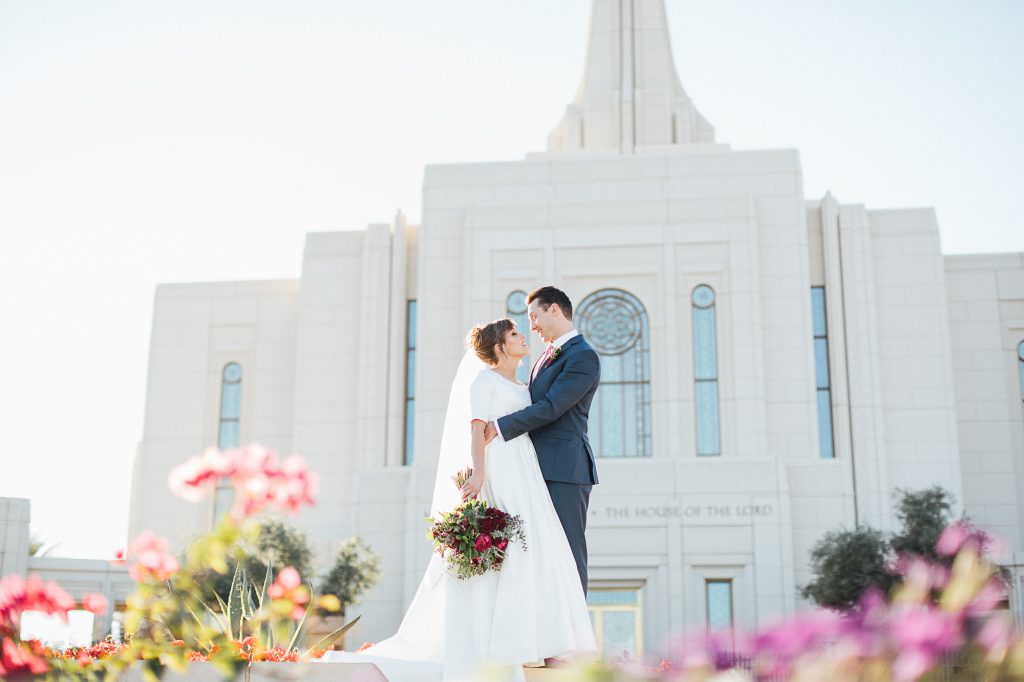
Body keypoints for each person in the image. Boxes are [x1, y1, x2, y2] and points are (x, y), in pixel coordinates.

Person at [320, 316, 595, 681]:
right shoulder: (484, 381)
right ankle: (496, 642)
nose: (522, 336)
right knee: (510, 549)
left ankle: (531, 639)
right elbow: (477, 430)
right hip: (500, 467)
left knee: (533, 550)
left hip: (525, 468)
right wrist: (479, 475)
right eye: (514, 333)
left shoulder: (520, 382)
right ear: (500, 346)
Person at [483, 286, 600, 595]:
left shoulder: (583, 356)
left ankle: (577, 638)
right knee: (540, 555)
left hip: (565, 469)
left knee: (568, 552)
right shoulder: (543, 358)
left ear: (554, 311)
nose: (531, 325)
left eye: (534, 316)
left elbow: (551, 408)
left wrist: (499, 426)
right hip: (535, 468)